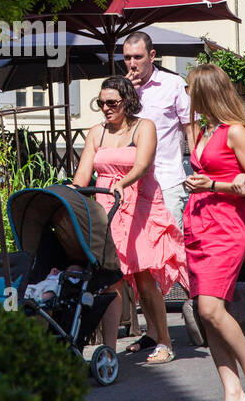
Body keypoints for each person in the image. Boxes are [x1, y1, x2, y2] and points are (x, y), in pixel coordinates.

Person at [180, 64, 245, 401]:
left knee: (212, 309)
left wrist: (213, 187)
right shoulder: (204, 130)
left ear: (206, 91)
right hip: (198, 226)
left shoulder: (236, 132)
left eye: (191, 89)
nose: (187, 96)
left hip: (225, 228)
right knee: (205, 315)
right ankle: (232, 393)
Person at [72, 75, 187, 364]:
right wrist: (67, 194)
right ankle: (109, 351)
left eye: (112, 102)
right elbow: (83, 175)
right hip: (108, 209)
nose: (106, 108)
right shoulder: (96, 133)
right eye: (101, 103)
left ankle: (164, 341)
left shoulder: (143, 127)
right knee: (113, 280)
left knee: (145, 276)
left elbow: (143, 164)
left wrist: (123, 183)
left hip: (140, 205)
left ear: (128, 101)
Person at [122, 32, 194, 230]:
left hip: (166, 179)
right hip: (129, 182)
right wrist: (125, 94)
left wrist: (198, 169)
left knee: (171, 242)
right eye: (127, 58)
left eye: (138, 57)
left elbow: (191, 128)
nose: (132, 63)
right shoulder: (120, 89)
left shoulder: (173, 84)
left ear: (151, 55)